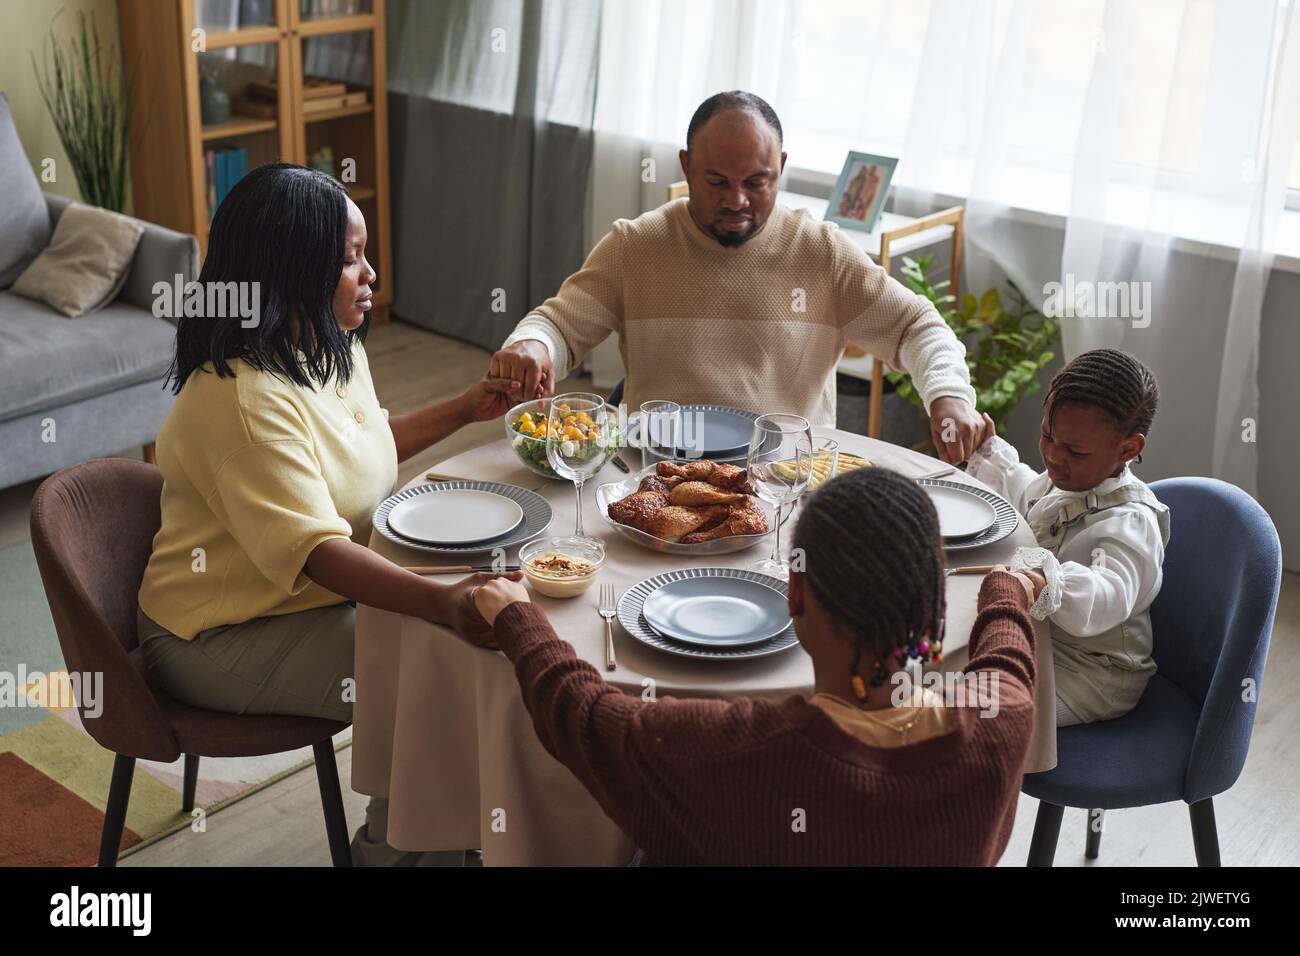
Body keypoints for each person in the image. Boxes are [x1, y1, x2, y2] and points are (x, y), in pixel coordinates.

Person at [135, 163, 521, 864]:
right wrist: (442, 602)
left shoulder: (329, 348)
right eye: (350, 259)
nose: (370, 273)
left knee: (447, 654)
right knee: (440, 666)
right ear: (292, 269)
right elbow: (317, 550)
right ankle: (399, 849)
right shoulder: (240, 402)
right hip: (217, 636)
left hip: (302, 602)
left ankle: (419, 836)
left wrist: (468, 407)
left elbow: (363, 441)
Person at [468, 467, 1042, 865]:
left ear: (795, 598)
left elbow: (583, 715)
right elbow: (1007, 655)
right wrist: (1005, 589)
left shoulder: (732, 750)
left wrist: (519, 618)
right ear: (937, 611)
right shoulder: (1005, 720)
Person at [488, 90, 985, 464]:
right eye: (717, 182)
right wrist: (532, 345)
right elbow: (558, 326)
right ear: (686, 167)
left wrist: (948, 395)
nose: (737, 201)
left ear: (782, 169)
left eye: (756, 182)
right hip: (655, 481)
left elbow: (916, 327)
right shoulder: (635, 246)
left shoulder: (821, 252)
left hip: (783, 484)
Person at [966, 348, 1170, 726]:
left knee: (979, 712)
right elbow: (1028, 496)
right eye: (1048, 435)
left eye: (1075, 450)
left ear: (1129, 448)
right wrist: (989, 453)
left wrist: (1049, 580)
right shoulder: (1068, 479)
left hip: (1090, 675)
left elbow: (1108, 595)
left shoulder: (1131, 523)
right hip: (1038, 640)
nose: (1054, 457)